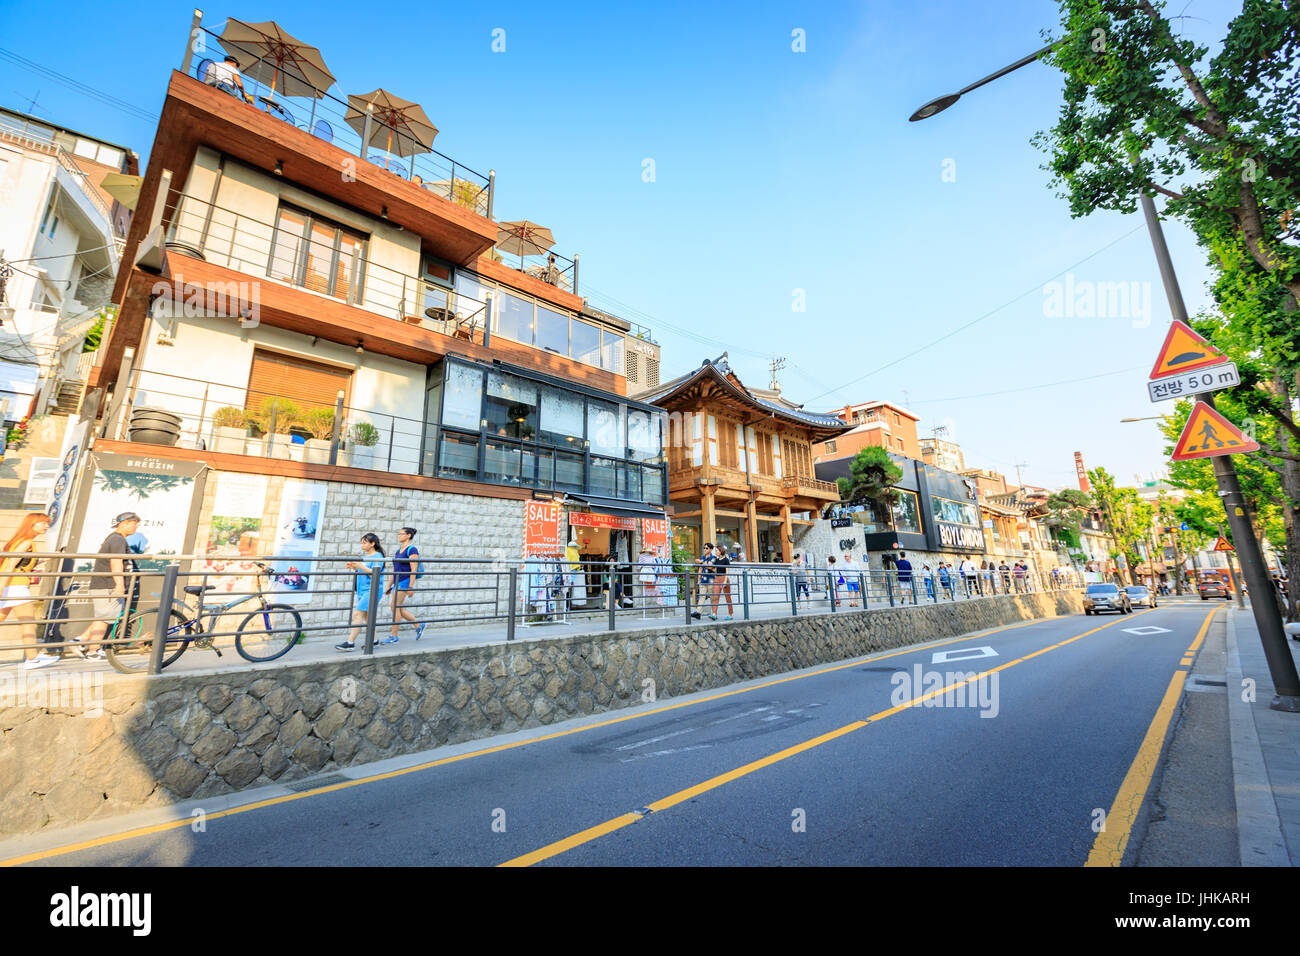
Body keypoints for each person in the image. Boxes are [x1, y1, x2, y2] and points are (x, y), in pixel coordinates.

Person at [77, 512, 141, 660]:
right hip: (107, 584)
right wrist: (119, 584)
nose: (136, 526)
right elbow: (116, 562)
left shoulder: (115, 539)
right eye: (133, 523)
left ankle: (81, 642)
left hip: (104, 583)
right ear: (123, 523)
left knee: (104, 616)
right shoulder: (117, 540)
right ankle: (91, 650)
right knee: (104, 618)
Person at [0, 512, 53, 667]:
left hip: (12, 585)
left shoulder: (24, 542)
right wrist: (1, 586)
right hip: (15, 586)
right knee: (29, 623)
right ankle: (32, 659)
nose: (46, 526)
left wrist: (45, 558)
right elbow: (10, 565)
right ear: (32, 524)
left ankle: (32, 658)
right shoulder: (26, 542)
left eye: (47, 523)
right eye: (43, 523)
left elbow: (23, 563)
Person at [336, 533, 386, 651]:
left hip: (372, 590)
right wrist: (354, 567)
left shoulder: (378, 556)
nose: (362, 545)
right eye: (362, 543)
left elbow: (374, 573)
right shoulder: (366, 555)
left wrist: (360, 566)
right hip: (362, 590)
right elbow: (363, 570)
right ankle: (374, 641)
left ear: (372, 543)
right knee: (368, 617)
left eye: (364, 543)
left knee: (358, 614)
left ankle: (350, 643)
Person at [386, 527, 424, 642]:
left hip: (405, 581)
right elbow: (395, 569)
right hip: (397, 581)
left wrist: (410, 587)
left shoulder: (412, 550)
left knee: (394, 606)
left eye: (401, 534)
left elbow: (414, 569)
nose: (399, 536)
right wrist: (389, 585)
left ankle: (394, 636)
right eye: (398, 534)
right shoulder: (398, 551)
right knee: (399, 608)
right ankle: (418, 625)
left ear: (408, 535)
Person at [709, 544, 733, 620]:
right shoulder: (716, 560)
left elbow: (727, 571)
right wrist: (710, 566)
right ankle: (714, 614)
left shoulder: (726, 560)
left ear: (720, 551)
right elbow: (715, 570)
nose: (715, 552)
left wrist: (725, 581)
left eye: (716, 550)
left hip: (724, 578)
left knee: (727, 597)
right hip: (717, 578)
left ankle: (730, 614)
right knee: (715, 596)